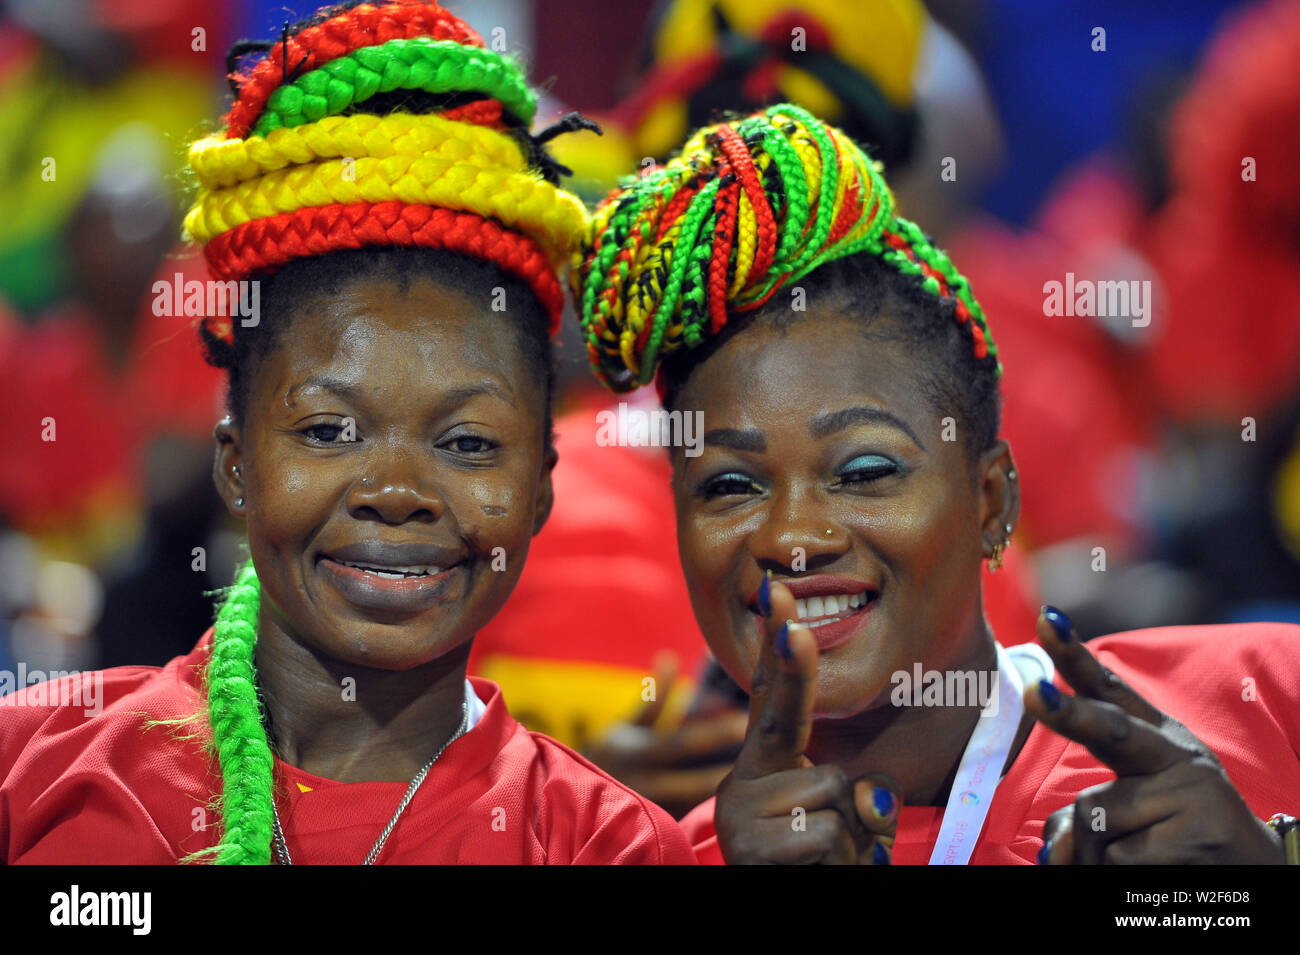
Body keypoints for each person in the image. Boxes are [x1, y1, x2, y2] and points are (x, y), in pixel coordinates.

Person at [0, 0, 695, 865]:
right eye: (329, 429)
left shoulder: (608, 845)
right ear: (236, 462)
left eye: (469, 442)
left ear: (544, 484)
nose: (396, 493)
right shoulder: (30, 772)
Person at [569, 103, 1300, 864]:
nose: (790, 536)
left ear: (992, 501)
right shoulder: (666, 854)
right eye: (728, 485)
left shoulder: (1265, 695)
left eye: (864, 472)